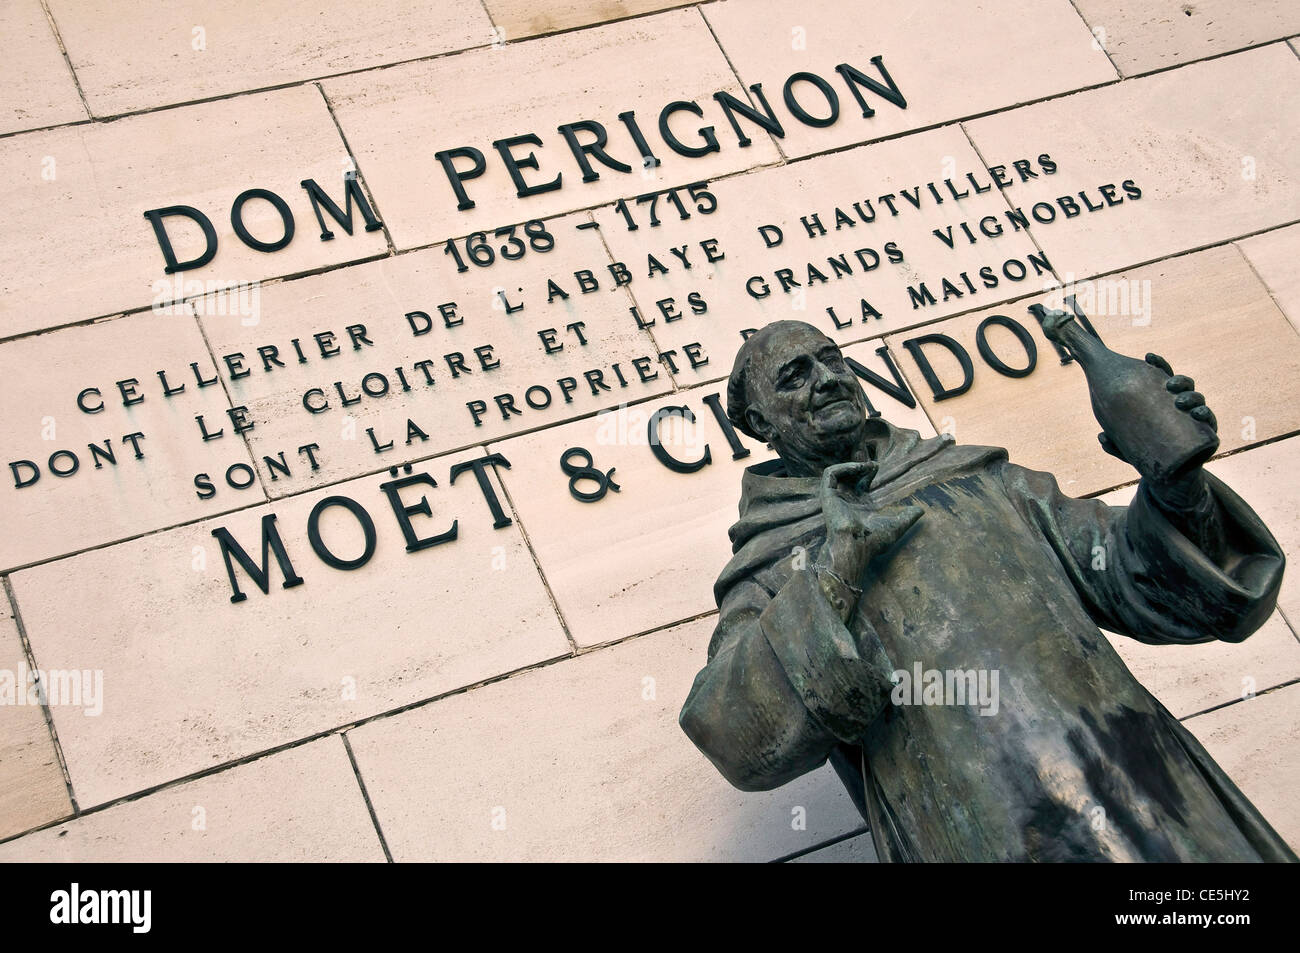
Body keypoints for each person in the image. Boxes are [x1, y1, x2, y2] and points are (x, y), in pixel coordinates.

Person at [679, 319, 1294, 862]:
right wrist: (837, 565)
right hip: (983, 825)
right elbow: (736, 736)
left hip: (1137, 777)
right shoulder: (773, 564)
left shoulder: (982, 478)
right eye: (795, 375)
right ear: (760, 422)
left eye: (834, 359)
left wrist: (1174, 483)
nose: (829, 378)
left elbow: (1138, 577)